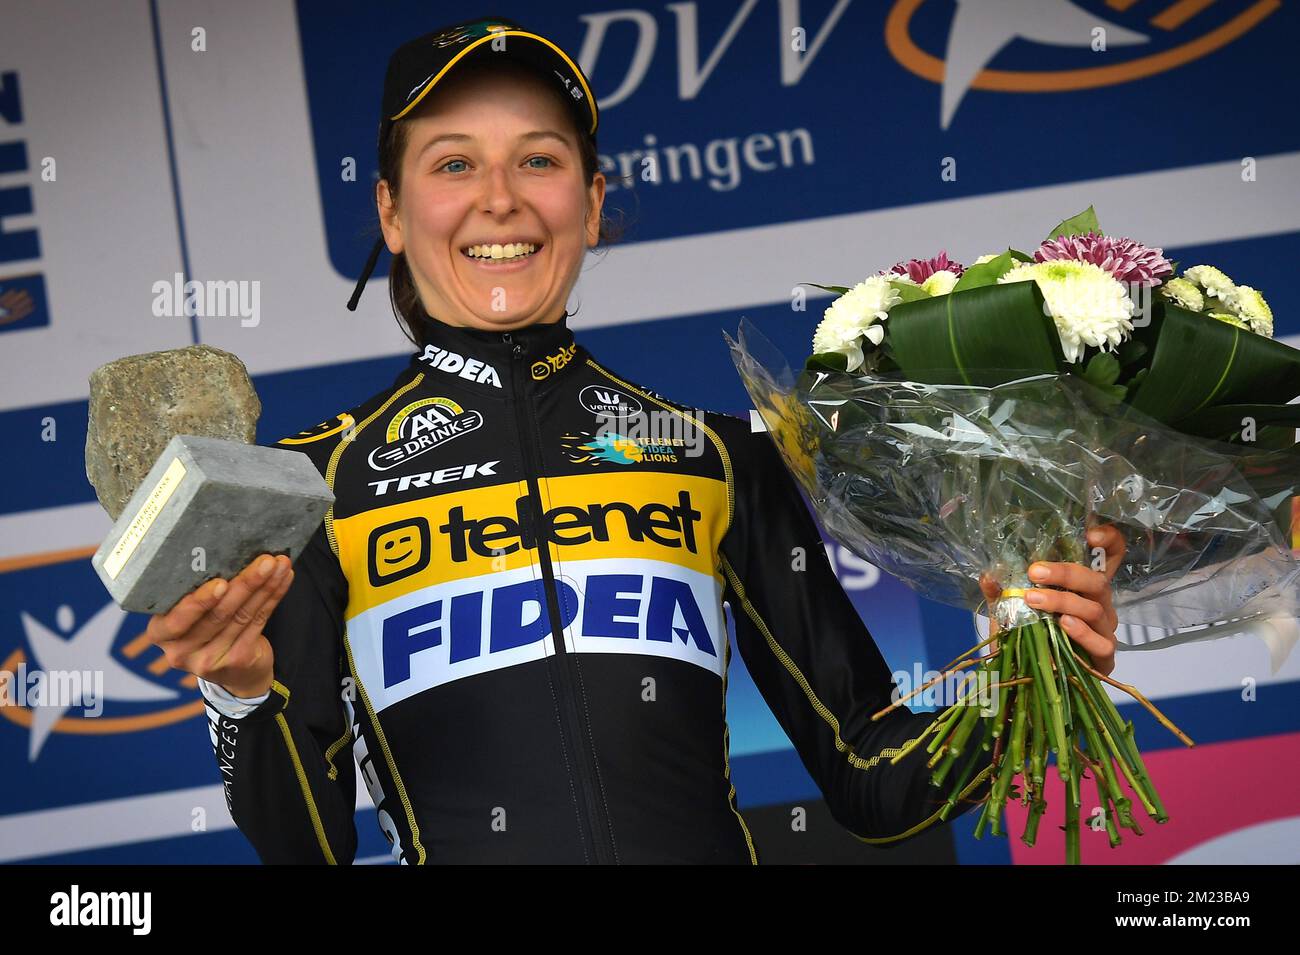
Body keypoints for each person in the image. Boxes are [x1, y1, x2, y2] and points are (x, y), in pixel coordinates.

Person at [144, 16, 1124, 865]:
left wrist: (1030, 670)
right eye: (453, 163)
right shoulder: (317, 483)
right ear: (391, 212)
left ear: (593, 203)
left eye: (539, 158)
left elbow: (870, 778)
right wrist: (241, 691)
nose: (501, 197)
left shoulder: (713, 455)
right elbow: (305, 845)